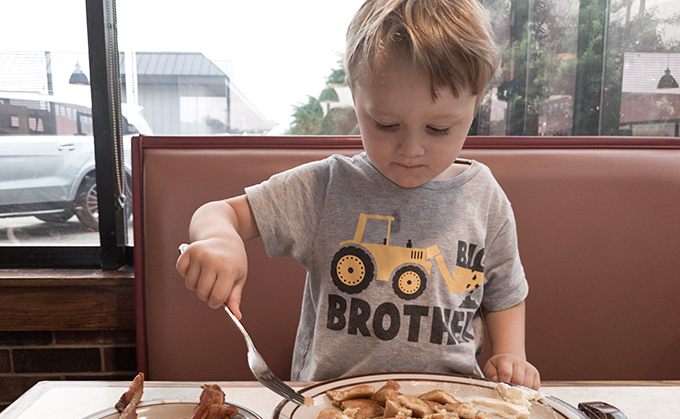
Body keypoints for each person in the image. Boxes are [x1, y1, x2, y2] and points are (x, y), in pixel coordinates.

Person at [176, 0, 541, 390]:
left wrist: (511, 356)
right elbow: (218, 212)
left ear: (476, 100)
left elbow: (504, 294)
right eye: (385, 124)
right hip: (331, 407)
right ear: (354, 93)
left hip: (449, 406)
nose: (411, 150)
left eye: (439, 129)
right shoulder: (327, 187)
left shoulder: (485, 198)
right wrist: (220, 240)